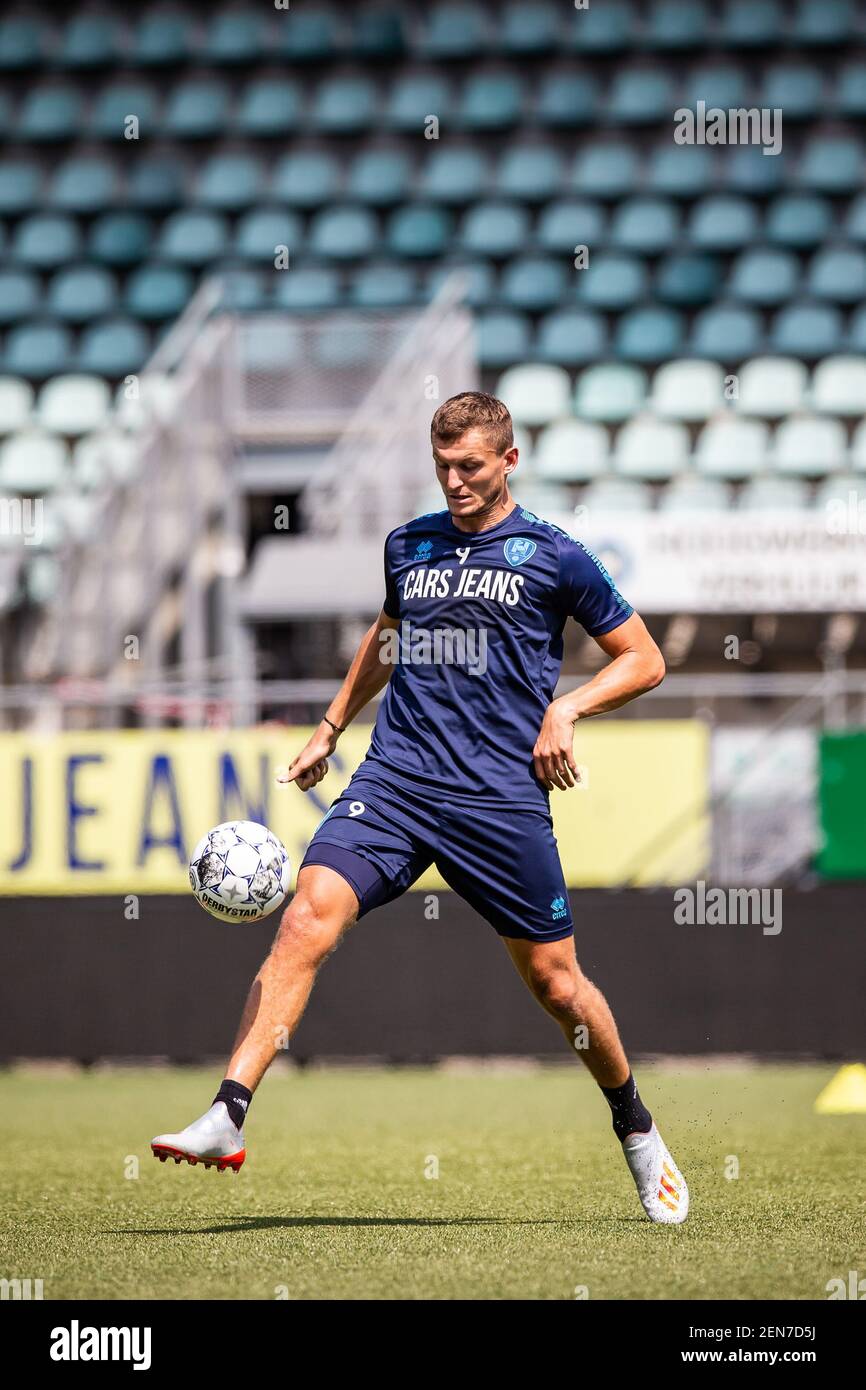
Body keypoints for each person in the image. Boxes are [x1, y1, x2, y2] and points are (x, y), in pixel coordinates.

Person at [152, 391, 688, 1224]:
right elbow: (387, 635)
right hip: (395, 782)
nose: (454, 480)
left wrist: (568, 708)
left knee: (556, 983)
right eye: (441, 466)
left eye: (469, 466)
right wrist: (332, 725)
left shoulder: (555, 555)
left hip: (497, 799)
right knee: (307, 916)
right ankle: (229, 1111)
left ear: (509, 461)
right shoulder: (411, 544)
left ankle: (635, 1125)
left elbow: (644, 659)